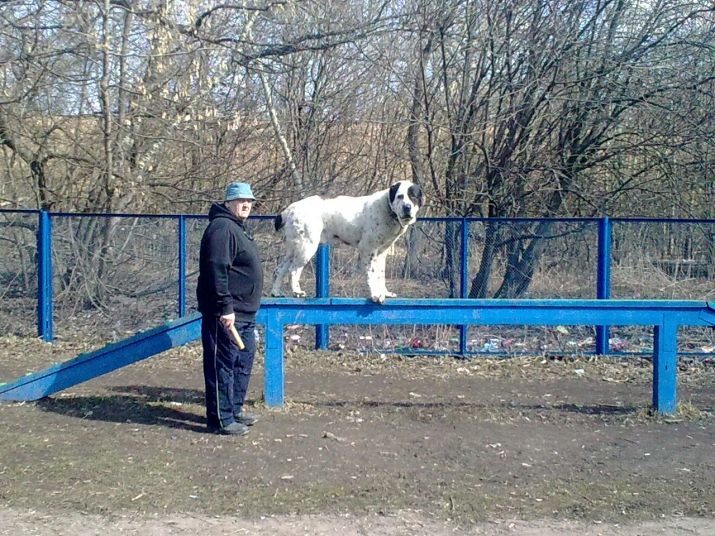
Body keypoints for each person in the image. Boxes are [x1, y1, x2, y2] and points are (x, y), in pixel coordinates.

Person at [197, 181, 263, 435]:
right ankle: (220, 420)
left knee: (241, 362)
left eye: (249, 201)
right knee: (221, 364)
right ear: (228, 203)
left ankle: (234, 409)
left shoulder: (237, 228)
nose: (246, 204)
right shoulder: (222, 228)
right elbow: (217, 269)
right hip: (225, 314)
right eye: (240, 200)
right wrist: (225, 307)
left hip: (245, 312)